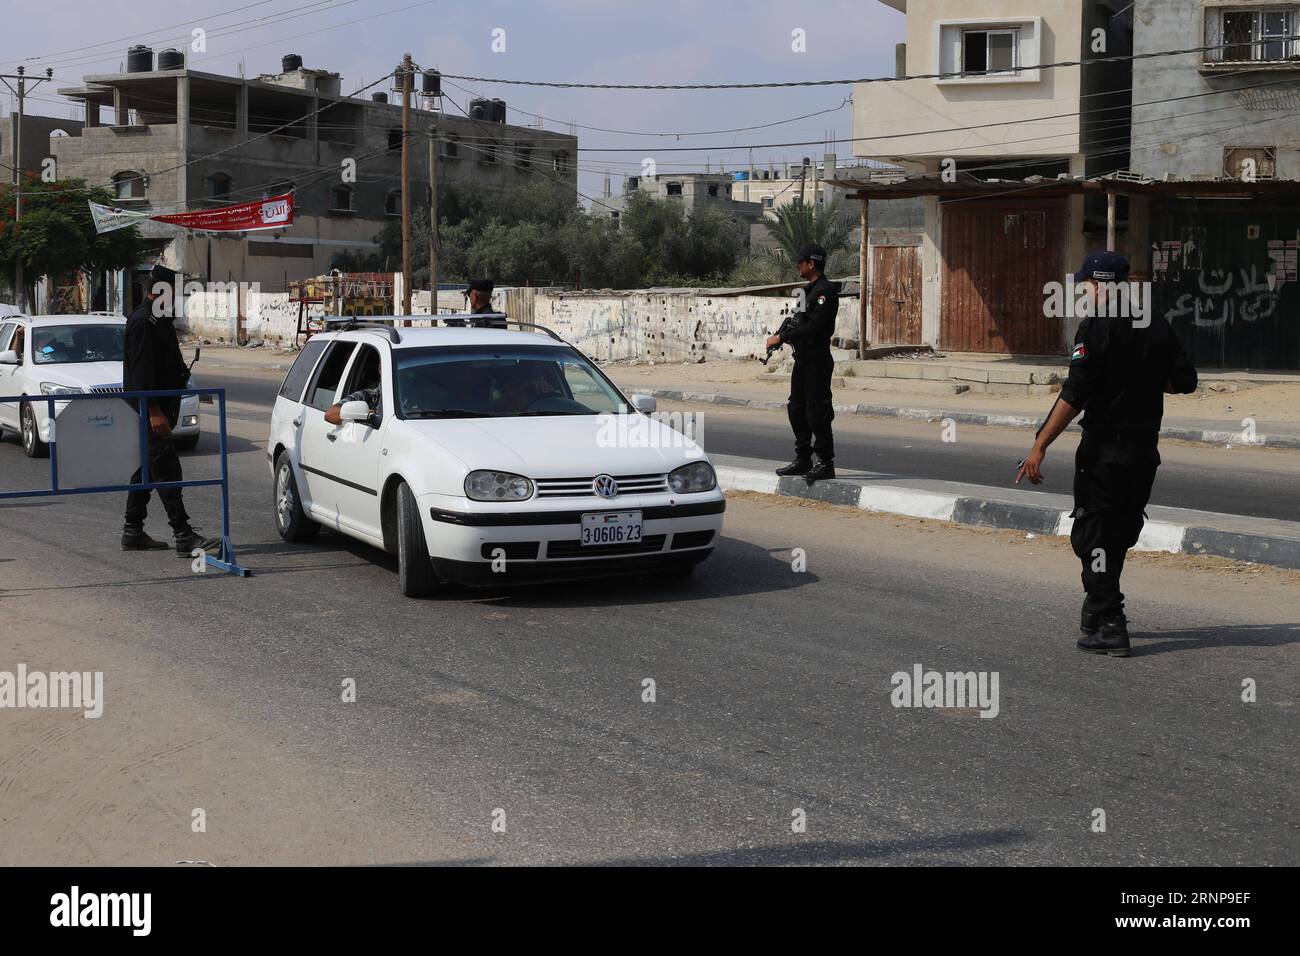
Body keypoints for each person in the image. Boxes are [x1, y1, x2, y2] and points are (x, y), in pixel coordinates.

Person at [1015, 251, 1198, 658]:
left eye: (1085, 284)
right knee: (1116, 535)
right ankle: (1095, 613)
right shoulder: (1156, 324)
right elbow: (1185, 381)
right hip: (1143, 452)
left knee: (1093, 536)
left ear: (1097, 285)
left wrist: (1039, 446)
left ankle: (1111, 622)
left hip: (1105, 452)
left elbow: (1075, 394)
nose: (1083, 291)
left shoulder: (1096, 327)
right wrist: (1140, 381)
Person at [121, 264, 218, 555]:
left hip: (162, 406)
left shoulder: (159, 319)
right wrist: (152, 410)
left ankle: (132, 531)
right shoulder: (143, 321)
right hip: (150, 410)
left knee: (146, 471)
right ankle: (183, 533)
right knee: (166, 470)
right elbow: (141, 373)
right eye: (176, 290)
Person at [768, 244, 839, 482]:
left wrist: (783, 336)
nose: (797, 265)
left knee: (817, 411)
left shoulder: (825, 291)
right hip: (803, 359)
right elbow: (797, 322)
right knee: (796, 409)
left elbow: (814, 326)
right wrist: (784, 334)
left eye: (800, 262)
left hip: (817, 360)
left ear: (811, 263)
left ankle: (825, 463)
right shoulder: (806, 291)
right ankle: (803, 459)